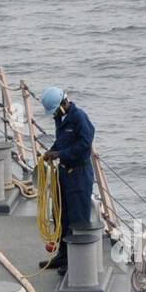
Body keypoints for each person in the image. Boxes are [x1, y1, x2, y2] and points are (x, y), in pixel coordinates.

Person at [38, 87, 96, 273]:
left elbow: (85, 144)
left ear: (63, 104)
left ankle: (76, 262)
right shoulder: (60, 118)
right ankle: (63, 255)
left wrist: (60, 154)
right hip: (63, 173)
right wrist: (52, 151)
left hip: (78, 174)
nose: (54, 115)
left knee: (77, 219)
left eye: (55, 111)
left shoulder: (80, 118)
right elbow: (63, 140)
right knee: (61, 215)